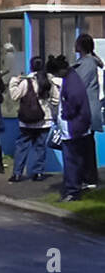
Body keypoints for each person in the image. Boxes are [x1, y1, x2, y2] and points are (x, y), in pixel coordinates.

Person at [7, 56, 57, 183]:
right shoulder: (48, 81)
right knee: (40, 147)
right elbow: (56, 100)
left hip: (27, 121)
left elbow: (14, 96)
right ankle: (38, 173)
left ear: (31, 67)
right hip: (44, 120)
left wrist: (13, 81)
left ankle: (17, 173)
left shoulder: (26, 82)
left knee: (22, 147)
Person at [49, 54, 90, 202]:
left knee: (71, 160)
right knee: (75, 159)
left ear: (60, 70)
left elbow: (74, 103)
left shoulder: (72, 83)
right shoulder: (71, 78)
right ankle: (74, 187)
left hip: (72, 128)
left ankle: (72, 191)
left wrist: (65, 114)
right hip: (73, 127)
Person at [72, 34, 102, 188]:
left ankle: (88, 177)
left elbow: (78, 85)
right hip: (87, 108)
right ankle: (88, 176)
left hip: (86, 110)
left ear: (81, 46)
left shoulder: (87, 64)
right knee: (86, 143)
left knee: (85, 145)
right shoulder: (88, 62)